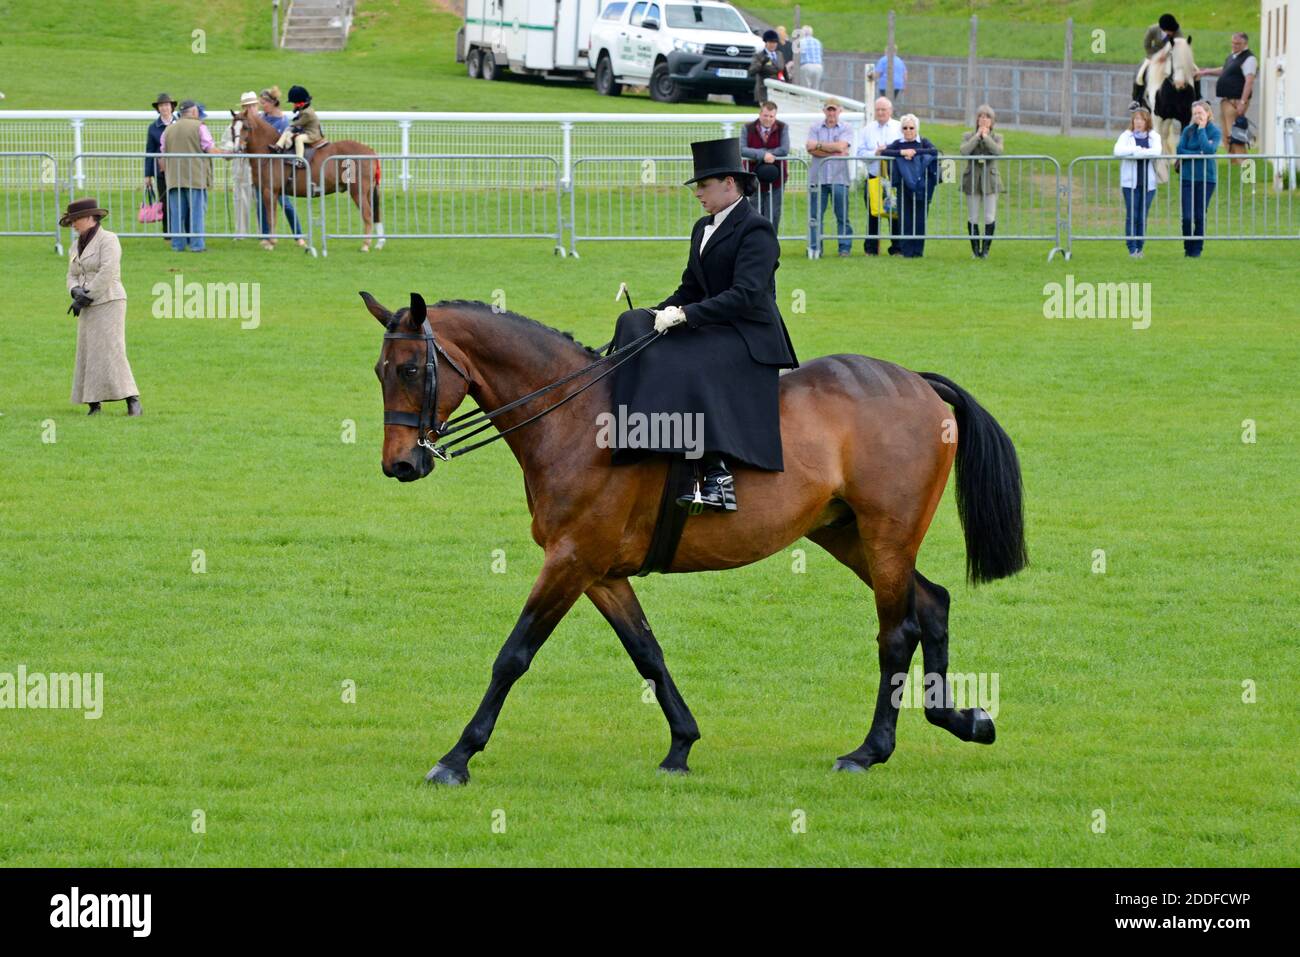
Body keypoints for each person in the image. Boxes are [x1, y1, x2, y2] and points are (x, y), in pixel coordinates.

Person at [607, 138, 799, 512]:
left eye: (703, 185)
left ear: (730, 183)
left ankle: (718, 474)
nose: (698, 194)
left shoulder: (756, 229)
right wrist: (656, 314)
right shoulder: (702, 227)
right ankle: (636, 437)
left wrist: (686, 316)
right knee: (631, 323)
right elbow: (690, 287)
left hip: (749, 334)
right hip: (714, 324)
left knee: (688, 363)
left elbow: (746, 294)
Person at [60, 198, 140, 417]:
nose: (73, 225)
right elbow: (72, 274)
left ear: (89, 217)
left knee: (113, 350)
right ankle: (93, 403)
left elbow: (109, 271)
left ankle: (132, 399)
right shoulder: (75, 246)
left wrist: (85, 296)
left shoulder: (109, 240)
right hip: (87, 303)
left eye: (75, 220)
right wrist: (74, 291)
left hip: (110, 300)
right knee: (88, 352)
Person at [160, 100, 223, 252]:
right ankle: (197, 245)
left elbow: (162, 153)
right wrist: (228, 153)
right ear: (194, 112)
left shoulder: (169, 129)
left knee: (176, 214)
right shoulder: (200, 127)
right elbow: (209, 148)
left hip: (174, 178)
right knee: (197, 213)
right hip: (195, 177)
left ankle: (177, 244)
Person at [881, 114, 939, 258]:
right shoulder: (898, 143)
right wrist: (902, 152)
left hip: (921, 185)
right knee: (905, 218)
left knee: (919, 219)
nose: (908, 130)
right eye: (905, 127)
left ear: (916, 128)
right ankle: (906, 251)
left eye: (911, 127)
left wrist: (914, 153)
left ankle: (918, 252)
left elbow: (934, 151)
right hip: (902, 184)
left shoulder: (923, 142)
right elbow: (885, 151)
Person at [256, 86, 307, 249]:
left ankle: (298, 235)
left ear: (272, 103)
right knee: (261, 201)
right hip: (262, 166)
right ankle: (266, 236)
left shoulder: (283, 121)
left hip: (277, 168)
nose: (261, 105)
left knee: (284, 203)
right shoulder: (262, 117)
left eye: (263, 103)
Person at [1196, 32, 1256, 161]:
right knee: (1227, 134)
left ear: (1245, 43)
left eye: (1238, 44)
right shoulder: (1233, 57)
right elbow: (1224, 70)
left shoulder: (1249, 59)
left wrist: (1243, 102)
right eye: (1233, 43)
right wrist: (1206, 71)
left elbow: (1249, 80)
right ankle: (1234, 164)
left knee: (1236, 135)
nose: (1234, 45)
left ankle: (1245, 166)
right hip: (1226, 101)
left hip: (1236, 101)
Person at [806, 99, 854, 257]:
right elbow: (810, 148)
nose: (831, 113)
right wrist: (833, 150)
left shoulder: (846, 127)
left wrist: (819, 146)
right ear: (824, 111)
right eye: (829, 110)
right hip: (817, 178)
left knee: (842, 216)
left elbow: (842, 147)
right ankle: (815, 248)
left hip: (839, 178)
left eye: (834, 110)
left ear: (840, 111)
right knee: (815, 216)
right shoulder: (814, 127)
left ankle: (844, 248)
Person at [854, 96, 901, 256]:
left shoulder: (899, 127)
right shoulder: (868, 129)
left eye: (884, 109)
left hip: (894, 178)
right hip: (874, 176)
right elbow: (860, 153)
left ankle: (897, 248)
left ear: (890, 111)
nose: (881, 112)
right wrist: (876, 153)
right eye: (878, 110)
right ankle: (871, 248)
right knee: (872, 213)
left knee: (894, 213)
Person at [1113, 108, 1162, 258]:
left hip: (1148, 184)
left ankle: (1140, 248)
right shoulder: (1126, 136)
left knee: (1142, 216)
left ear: (1147, 121)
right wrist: (1136, 149)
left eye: (1141, 119)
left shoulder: (1154, 136)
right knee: (1132, 215)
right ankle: (1132, 248)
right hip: (1130, 184)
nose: (1138, 122)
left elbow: (1156, 151)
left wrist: (1137, 153)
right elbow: (1118, 151)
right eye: (1136, 119)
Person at [959, 104, 1004, 259]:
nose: (984, 120)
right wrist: (977, 136)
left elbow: (997, 152)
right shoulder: (968, 135)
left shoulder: (997, 137)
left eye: (987, 117)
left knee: (989, 217)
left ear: (992, 121)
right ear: (977, 119)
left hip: (990, 181)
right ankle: (975, 251)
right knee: (973, 217)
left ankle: (985, 250)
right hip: (972, 180)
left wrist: (986, 137)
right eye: (981, 116)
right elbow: (964, 151)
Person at [1176, 100, 1220, 258]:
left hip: (1206, 180)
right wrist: (1197, 153)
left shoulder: (1214, 131)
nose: (1197, 116)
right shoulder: (1187, 130)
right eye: (1195, 113)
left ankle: (1197, 250)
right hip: (1187, 178)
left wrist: (1202, 130)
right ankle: (1188, 248)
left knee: (1200, 215)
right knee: (1187, 217)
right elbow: (1180, 150)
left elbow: (1209, 150)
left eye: (1200, 113)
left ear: (1208, 113)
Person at [740, 101, 790, 231]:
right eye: (765, 115)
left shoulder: (783, 127)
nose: (768, 119)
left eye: (771, 116)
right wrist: (762, 155)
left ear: (775, 116)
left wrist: (769, 154)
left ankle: (771, 244)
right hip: (753, 177)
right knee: (754, 211)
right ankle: (755, 243)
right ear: (760, 114)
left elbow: (784, 149)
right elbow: (742, 149)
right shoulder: (747, 128)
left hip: (777, 178)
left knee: (773, 212)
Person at [223, 91, 260, 238]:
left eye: (253, 106)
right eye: (247, 106)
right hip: (241, 170)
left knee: (261, 203)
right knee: (241, 202)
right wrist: (232, 148)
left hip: (260, 171)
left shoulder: (262, 125)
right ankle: (241, 233)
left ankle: (262, 233)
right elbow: (226, 145)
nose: (250, 109)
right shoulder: (235, 125)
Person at [144, 93, 175, 240]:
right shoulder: (153, 128)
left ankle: (181, 230)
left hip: (179, 169)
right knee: (165, 201)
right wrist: (147, 175)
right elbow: (149, 151)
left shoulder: (179, 124)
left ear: (172, 107)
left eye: (167, 105)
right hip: (161, 171)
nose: (165, 108)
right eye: (162, 105)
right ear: (158, 108)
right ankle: (168, 233)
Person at [275, 85, 324, 161]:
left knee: (299, 139)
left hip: (312, 135)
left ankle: (300, 160)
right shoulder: (304, 110)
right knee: (287, 133)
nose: (293, 105)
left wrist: (291, 125)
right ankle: (278, 146)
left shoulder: (307, 113)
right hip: (307, 131)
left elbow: (299, 123)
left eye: (294, 103)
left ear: (299, 103)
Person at [748, 30, 785, 104]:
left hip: (778, 90)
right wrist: (762, 62)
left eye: (775, 42)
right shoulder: (759, 55)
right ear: (766, 43)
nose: (773, 45)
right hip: (764, 91)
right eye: (770, 42)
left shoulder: (779, 55)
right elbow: (751, 72)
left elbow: (783, 71)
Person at [798, 26, 824, 91]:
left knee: (805, 88)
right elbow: (820, 54)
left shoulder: (801, 41)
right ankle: (814, 100)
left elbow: (800, 54)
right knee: (815, 88)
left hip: (806, 66)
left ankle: (806, 100)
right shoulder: (818, 41)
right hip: (818, 66)